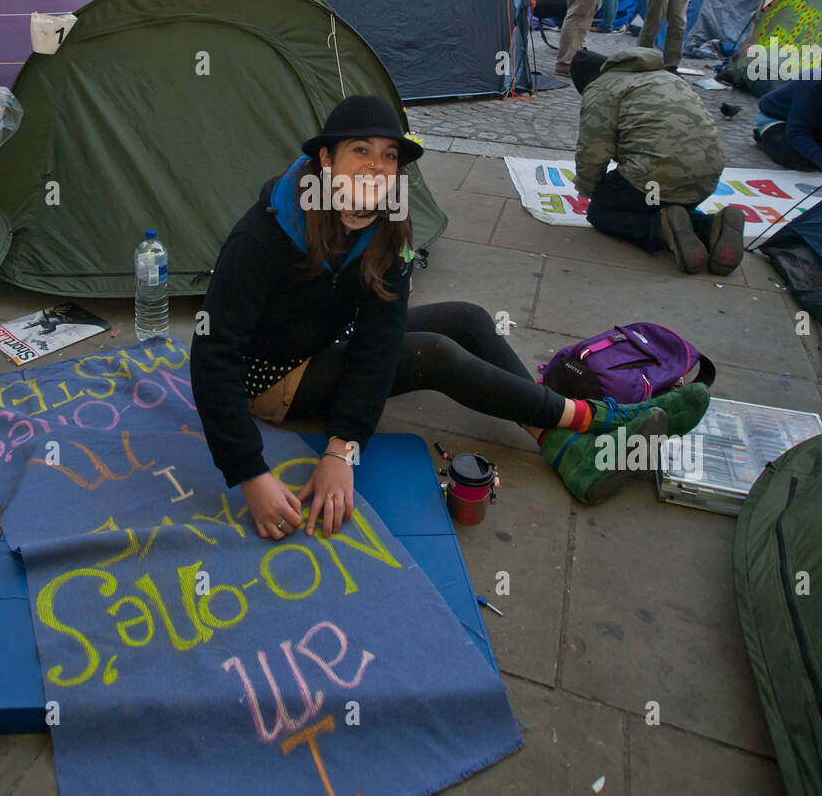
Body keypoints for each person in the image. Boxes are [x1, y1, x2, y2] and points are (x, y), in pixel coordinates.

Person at [189, 95, 711, 522]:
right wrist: (254, 473)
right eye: (360, 151)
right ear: (326, 160)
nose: (376, 167)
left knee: (467, 317)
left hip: (326, 340)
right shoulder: (265, 234)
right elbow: (213, 355)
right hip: (273, 378)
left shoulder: (386, 222)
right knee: (433, 354)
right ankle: (591, 418)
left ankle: (562, 446)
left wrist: (342, 443)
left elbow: (380, 336)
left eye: (389, 156)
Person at [571, 47, 745, 275]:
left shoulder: (602, 87)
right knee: (666, 203)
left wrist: (590, 189)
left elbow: (593, 151)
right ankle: (709, 226)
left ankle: (662, 230)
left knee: (602, 214)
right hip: (705, 180)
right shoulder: (668, 77)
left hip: (655, 180)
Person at [753, 78, 822, 171]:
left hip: (811, 122)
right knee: (802, 159)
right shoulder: (810, 86)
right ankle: (765, 138)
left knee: (812, 151)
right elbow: (796, 132)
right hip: (777, 118)